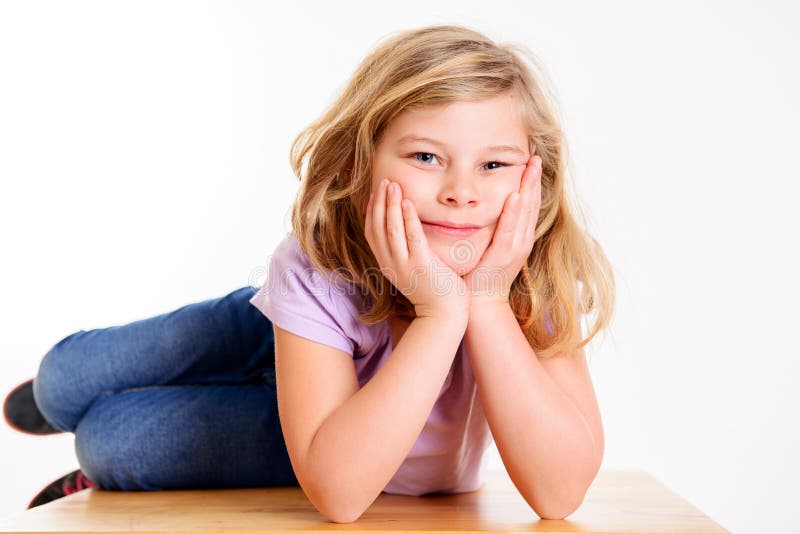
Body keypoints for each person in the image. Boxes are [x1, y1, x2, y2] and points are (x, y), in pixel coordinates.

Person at [4, 24, 615, 522]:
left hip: (338, 426)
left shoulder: (535, 273)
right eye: (427, 157)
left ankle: (106, 446)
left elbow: (556, 496)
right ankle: (65, 392)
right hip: (310, 314)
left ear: (535, 176)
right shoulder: (315, 262)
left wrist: (470, 305)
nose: (461, 192)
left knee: (114, 442)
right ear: (361, 160)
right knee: (65, 382)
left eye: (493, 164)